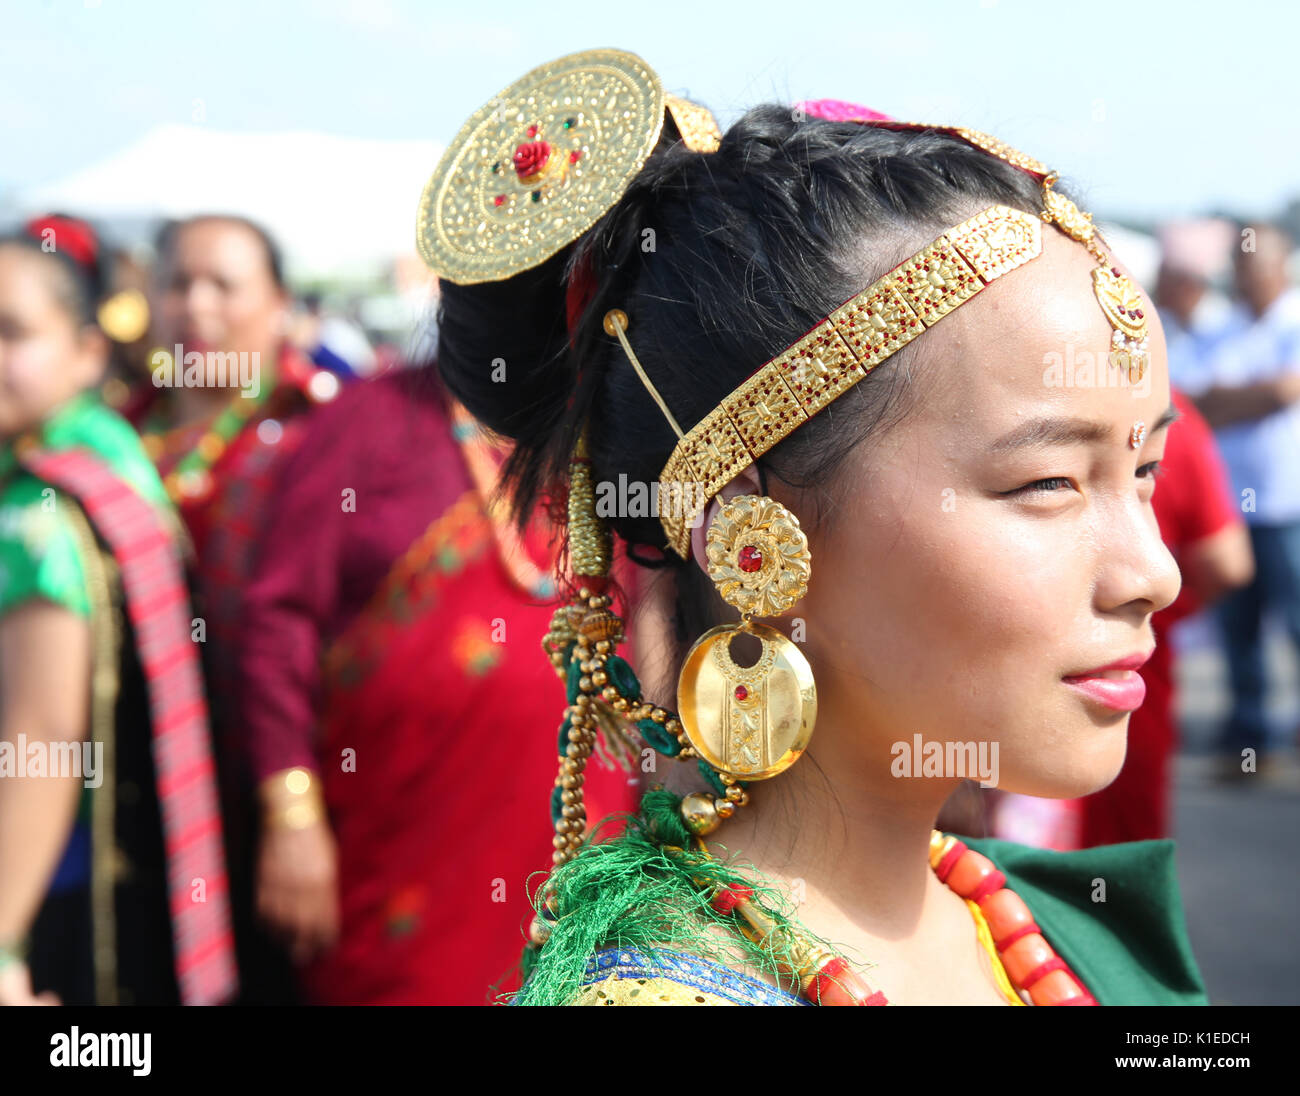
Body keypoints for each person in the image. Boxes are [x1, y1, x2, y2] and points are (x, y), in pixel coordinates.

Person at [423, 50, 1207, 1006]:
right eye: (1048, 482)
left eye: (1145, 471)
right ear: (756, 532)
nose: (1153, 573)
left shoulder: (1054, 931)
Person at [232, 365, 637, 1003]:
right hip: (401, 849)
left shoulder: (612, 416)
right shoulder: (370, 422)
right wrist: (290, 816)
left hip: (585, 838)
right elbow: (278, 623)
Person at [0, 215, 235, 1005]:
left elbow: (40, 739)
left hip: (47, 894)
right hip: (135, 871)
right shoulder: (110, 455)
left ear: (87, 352)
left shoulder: (39, 512)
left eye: (12, 332)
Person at [129, 214, 341, 1002]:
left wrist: (293, 809)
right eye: (178, 284)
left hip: (283, 781)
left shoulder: (320, 433)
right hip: (144, 782)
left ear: (280, 304)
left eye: (224, 284)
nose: (197, 306)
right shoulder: (116, 437)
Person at [1176, 224, 1300, 771]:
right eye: (1239, 269)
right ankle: (1250, 741)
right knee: (1239, 631)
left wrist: (1234, 399)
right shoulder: (1222, 328)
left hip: (1287, 507)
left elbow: (1282, 392)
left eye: (1253, 267)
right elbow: (1190, 401)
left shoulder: (1293, 322)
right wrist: (1254, 397)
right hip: (1234, 507)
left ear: (1279, 268)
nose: (1244, 278)